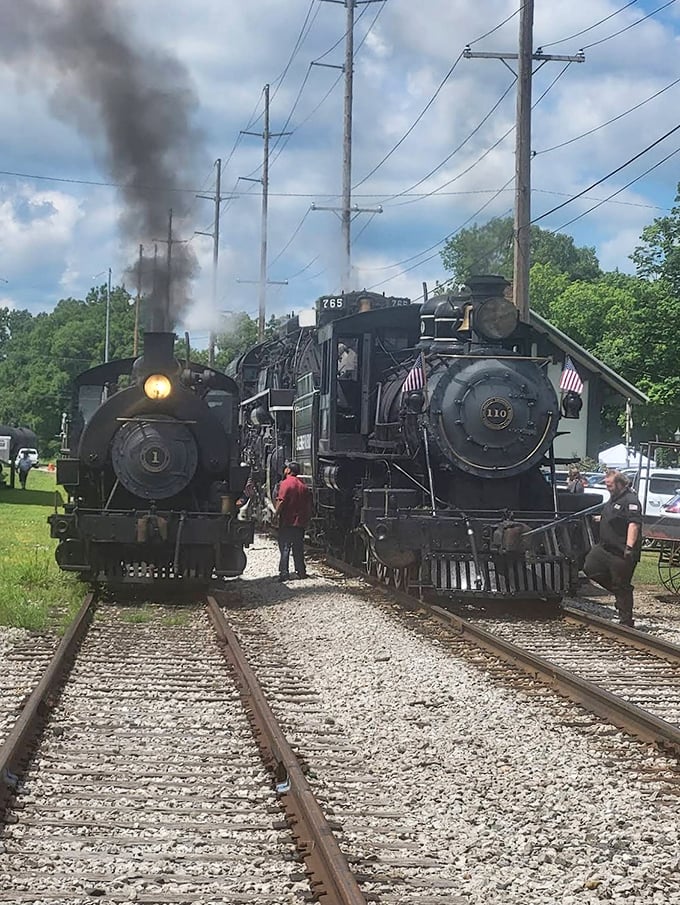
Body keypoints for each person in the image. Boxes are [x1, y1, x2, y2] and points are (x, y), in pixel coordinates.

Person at [584, 469, 642, 627]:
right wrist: (599, 519)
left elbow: (634, 524)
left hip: (621, 551)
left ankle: (626, 621)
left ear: (620, 484)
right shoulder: (613, 498)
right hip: (604, 548)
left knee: (621, 583)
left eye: (609, 485)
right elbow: (613, 516)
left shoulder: (631, 500)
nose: (607, 487)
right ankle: (618, 594)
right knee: (590, 566)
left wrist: (629, 547)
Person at [275, 461, 312, 581]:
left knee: (285, 547)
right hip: (300, 522)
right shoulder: (303, 486)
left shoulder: (285, 484)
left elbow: (281, 501)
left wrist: (275, 515)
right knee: (298, 548)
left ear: (288, 471)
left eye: (286, 468)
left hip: (287, 521)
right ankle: (301, 571)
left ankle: (284, 573)